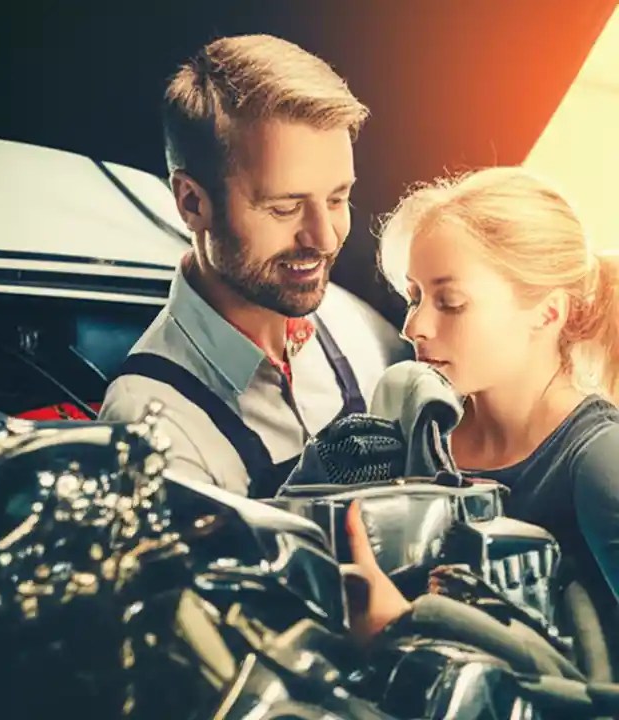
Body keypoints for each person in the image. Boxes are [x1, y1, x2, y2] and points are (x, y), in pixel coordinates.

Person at [99, 34, 408, 498]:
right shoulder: (148, 422)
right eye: (284, 209)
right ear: (191, 202)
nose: (323, 238)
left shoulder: (358, 328)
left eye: (338, 198)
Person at [376, 166, 619, 640]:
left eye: (449, 301)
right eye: (415, 296)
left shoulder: (598, 463)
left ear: (548, 312)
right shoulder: (420, 434)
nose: (414, 327)